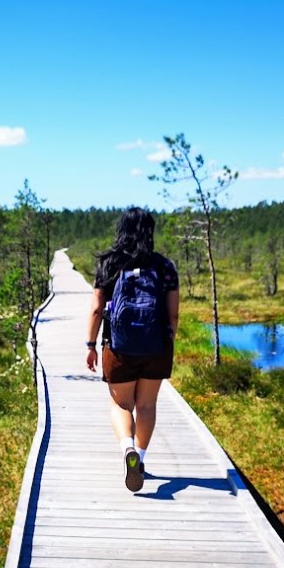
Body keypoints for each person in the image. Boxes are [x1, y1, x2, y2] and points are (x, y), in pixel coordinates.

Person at [85, 207, 180, 492]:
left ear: (121, 230)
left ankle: (127, 449)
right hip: (156, 346)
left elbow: (96, 309)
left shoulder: (109, 264)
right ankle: (141, 457)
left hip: (118, 347)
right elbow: (173, 315)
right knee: (147, 405)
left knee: (121, 404)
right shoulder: (164, 266)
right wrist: (167, 341)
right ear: (150, 232)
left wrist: (90, 345)